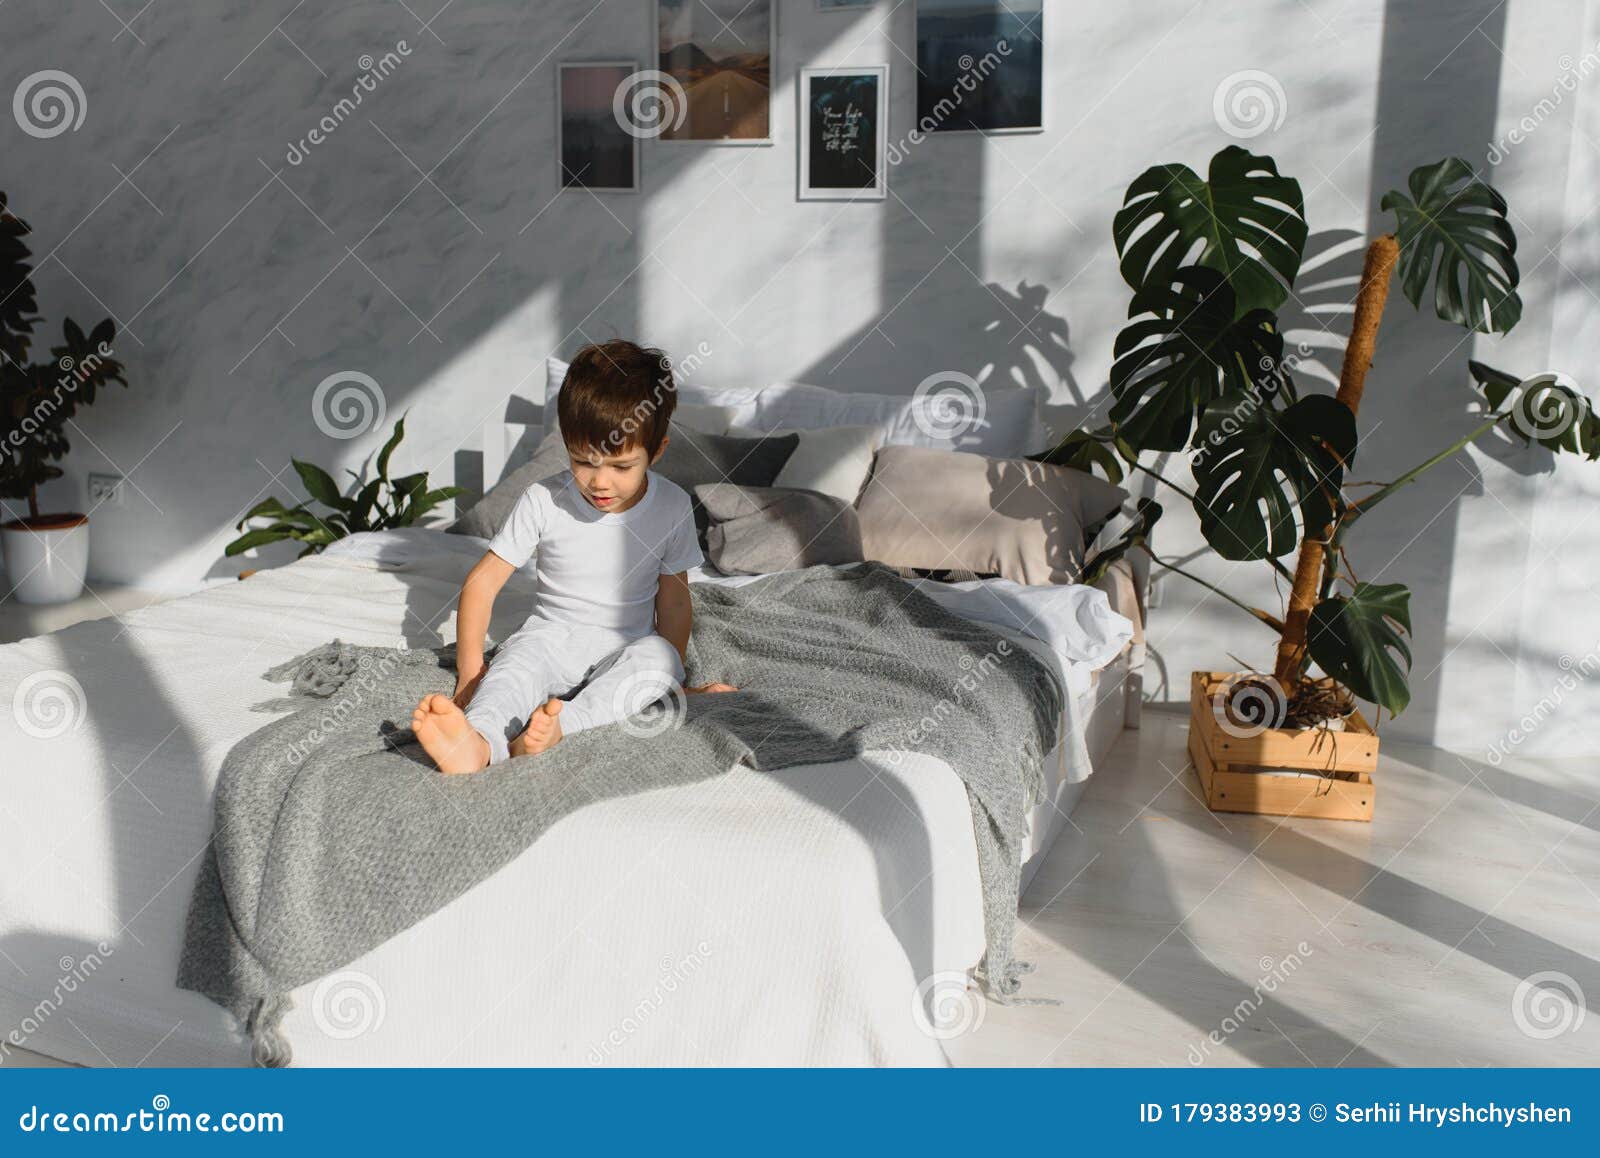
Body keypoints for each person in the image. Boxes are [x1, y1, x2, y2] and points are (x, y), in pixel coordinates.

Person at [412, 339, 731, 774]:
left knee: (658, 657)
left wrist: (671, 679)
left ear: (656, 452)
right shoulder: (544, 499)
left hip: (626, 648)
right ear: (566, 443)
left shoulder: (672, 507)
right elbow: (483, 581)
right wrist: (471, 673)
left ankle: (558, 728)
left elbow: (674, 601)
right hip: (551, 639)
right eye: (583, 461)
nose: (600, 482)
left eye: (621, 467)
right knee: (513, 671)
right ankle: (479, 742)